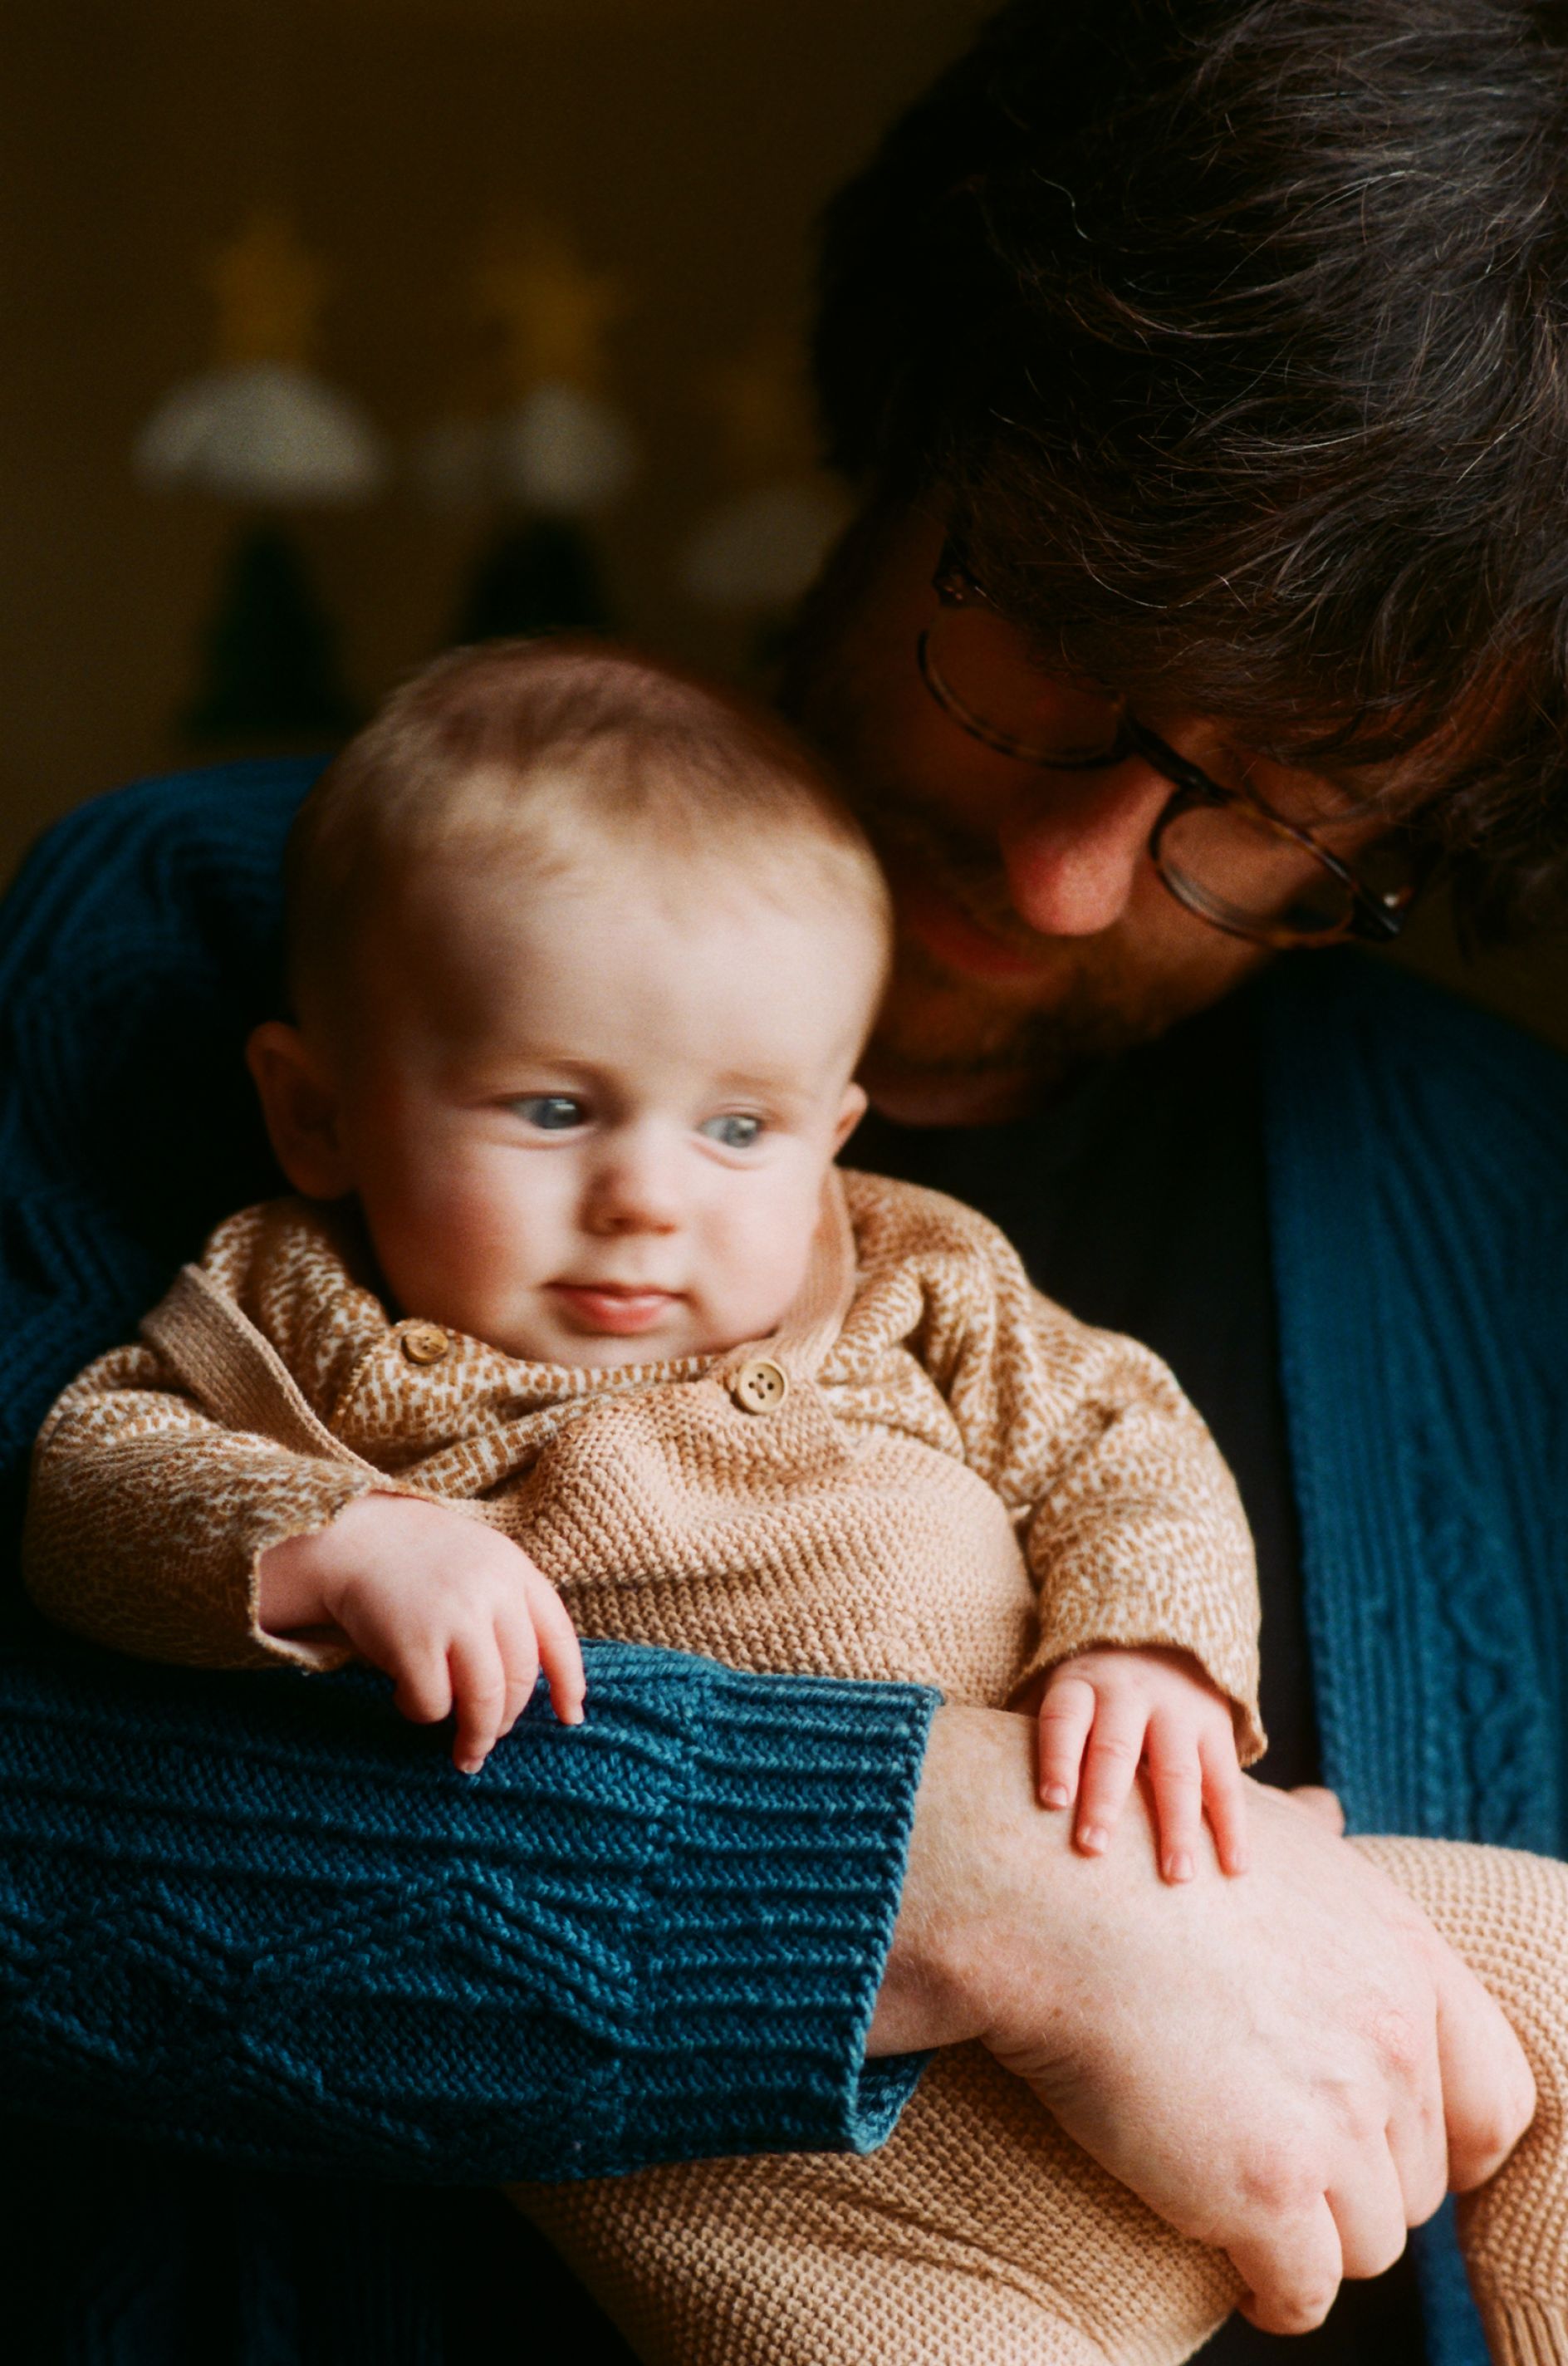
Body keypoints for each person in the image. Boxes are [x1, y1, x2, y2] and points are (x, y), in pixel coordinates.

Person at [0, 0, 1556, 2358]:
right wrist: (943, 1880)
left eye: (1270, 807)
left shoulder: (1504, 1209)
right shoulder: (184, 949)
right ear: (913, 421)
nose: (1060, 868)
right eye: (1045, 649)